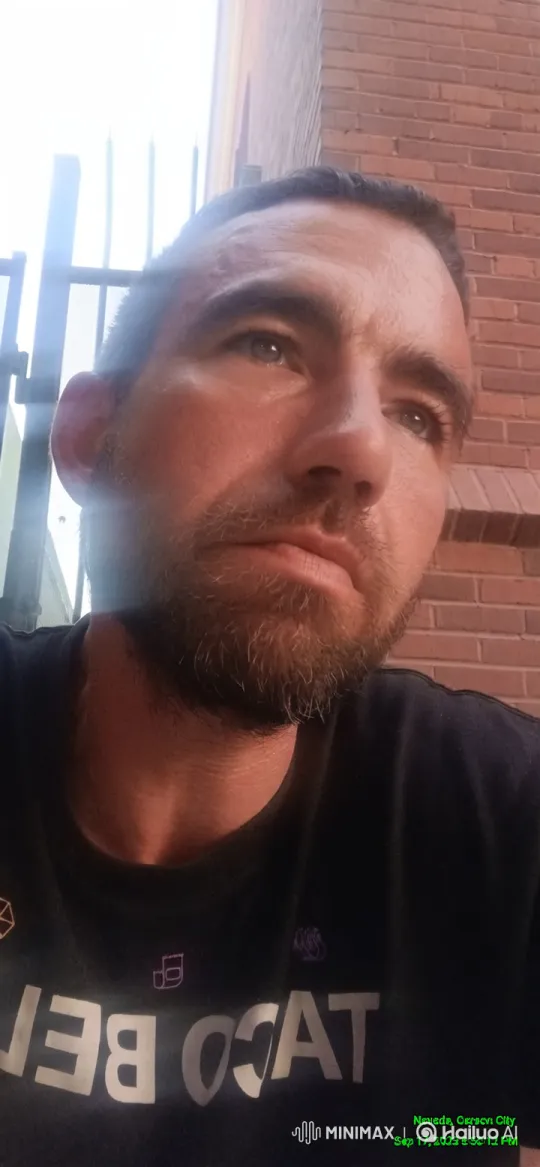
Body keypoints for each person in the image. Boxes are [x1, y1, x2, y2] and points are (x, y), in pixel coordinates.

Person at [0, 166, 538, 1166]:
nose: (361, 451)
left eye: (419, 415)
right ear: (87, 434)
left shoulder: (491, 817)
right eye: (269, 345)